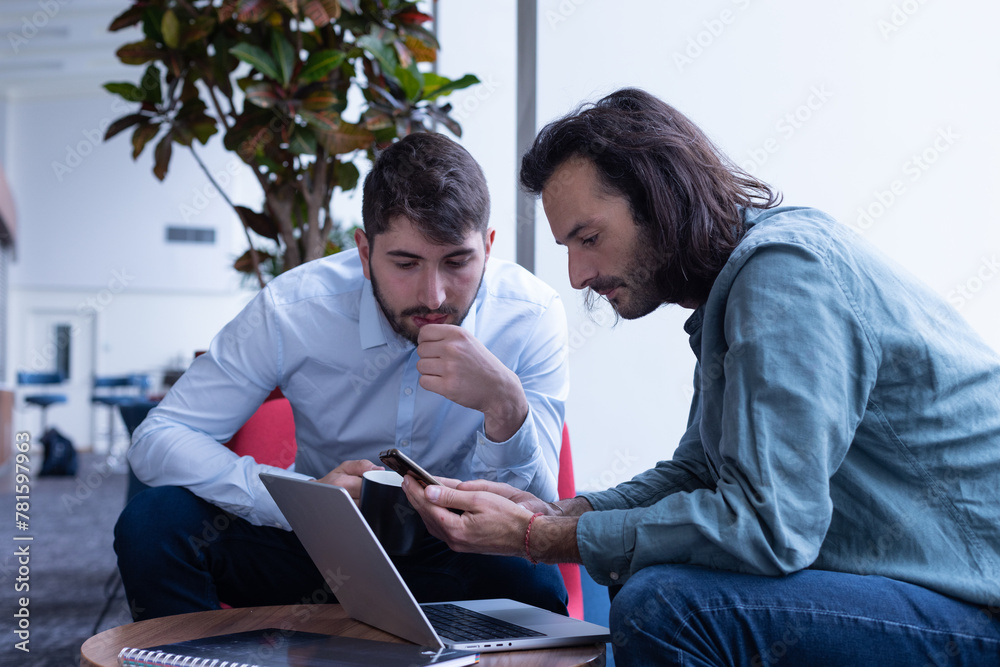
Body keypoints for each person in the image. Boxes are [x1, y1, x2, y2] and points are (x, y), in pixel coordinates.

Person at [402, 88, 1000, 665]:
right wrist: (556, 515)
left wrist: (540, 541)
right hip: (930, 589)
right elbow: (699, 474)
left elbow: (767, 527)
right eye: (567, 246)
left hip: (977, 601)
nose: (577, 274)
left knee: (666, 606)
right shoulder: (735, 290)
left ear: (659, 201)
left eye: (589, 238)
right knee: (653, 585)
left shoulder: (784, 276)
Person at [115, 132, 570, 620]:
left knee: (533, 582)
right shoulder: (294, 309)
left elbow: (539, 510)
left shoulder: (530, 314)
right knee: (153, 524)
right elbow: (159, 437)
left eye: (458, 261)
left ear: (488, 245)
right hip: (316, 549)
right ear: (363, 250)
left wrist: (505, 405)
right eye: (405, 263)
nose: (434, 296)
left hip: (457, 555)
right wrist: (300, 500)